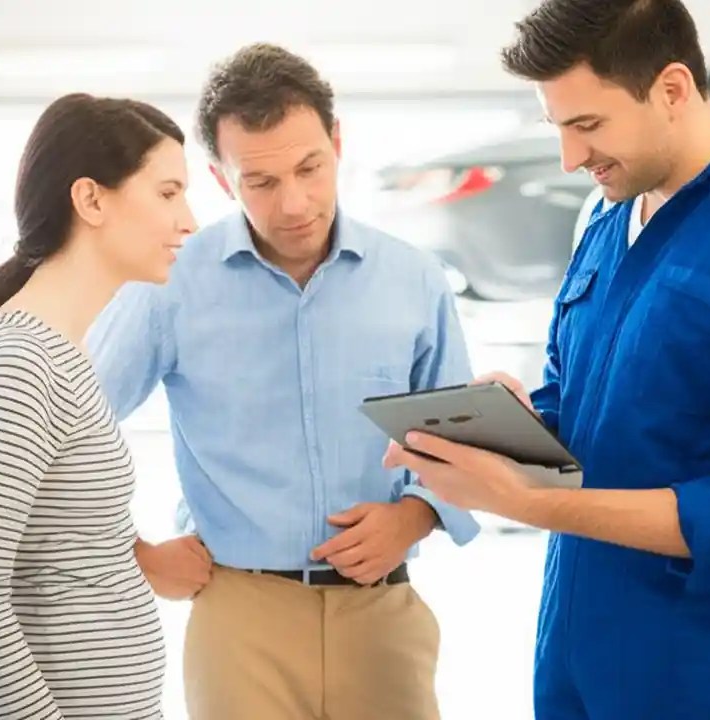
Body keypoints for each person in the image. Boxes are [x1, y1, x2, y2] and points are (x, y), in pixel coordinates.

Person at [384, 1, 710, 718]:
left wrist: (531, 502)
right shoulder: (607, 217)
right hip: (573, 659)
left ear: (673, 90)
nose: (569, 157)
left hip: (704, 676)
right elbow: (583, 407)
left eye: (587, 125)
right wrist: (512, 424)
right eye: (557, 128)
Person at [87, 42, 479, 720]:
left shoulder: (414, 279)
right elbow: (67, 431)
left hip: (384, 611)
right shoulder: (169, 284)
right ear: (220, 177)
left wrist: (414, 515)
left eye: (310, 168)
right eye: (261, 182)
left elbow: (459, 450)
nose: (294, 203)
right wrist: (135, 555)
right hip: (240, 617)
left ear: (337, 141)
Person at [0, 92, 208, 719]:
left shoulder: (58, 352)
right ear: (91, 199)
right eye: (167, 193)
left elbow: (45, 541)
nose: (188, 222)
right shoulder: (21, 363)